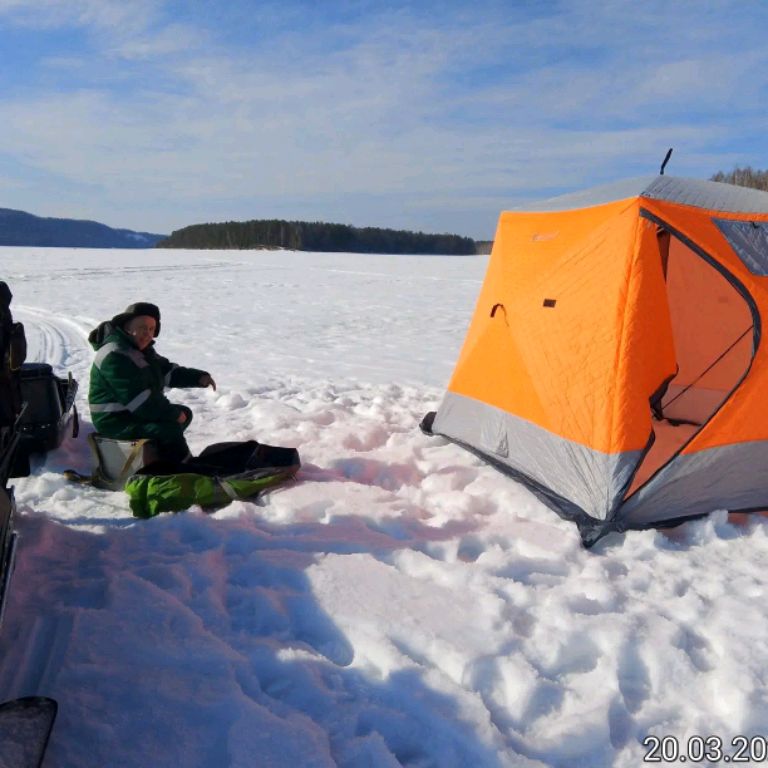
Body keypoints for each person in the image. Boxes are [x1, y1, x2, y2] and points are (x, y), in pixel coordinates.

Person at [88, 302, 215, 462]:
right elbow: (141, 400)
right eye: (142, 327)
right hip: (115, 421)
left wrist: (198, 377)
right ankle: (184, 466)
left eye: (151, 329)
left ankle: (158, 456)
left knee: (184, 414)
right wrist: (172, 414)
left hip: (132, 413)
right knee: (169, 428)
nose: (147, 333)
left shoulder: (140, 350)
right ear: (127, 326)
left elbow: (168, 372)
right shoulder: (115, 355)